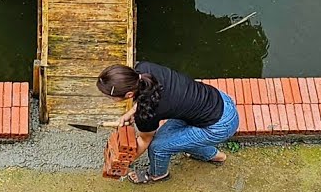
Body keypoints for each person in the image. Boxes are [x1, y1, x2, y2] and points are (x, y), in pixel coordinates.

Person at [96, 61, 240, 185]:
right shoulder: (144, 69)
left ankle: (157, 175)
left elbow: (145, 141)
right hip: (220, 100)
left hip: (219, 126)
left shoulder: (146, 114)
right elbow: (147, 95)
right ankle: (216, 156)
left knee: (158, 147)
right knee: (173, 139)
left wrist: (122, 162)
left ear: (129, 94)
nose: (109, 99)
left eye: (110, 97)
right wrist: (130, 113)